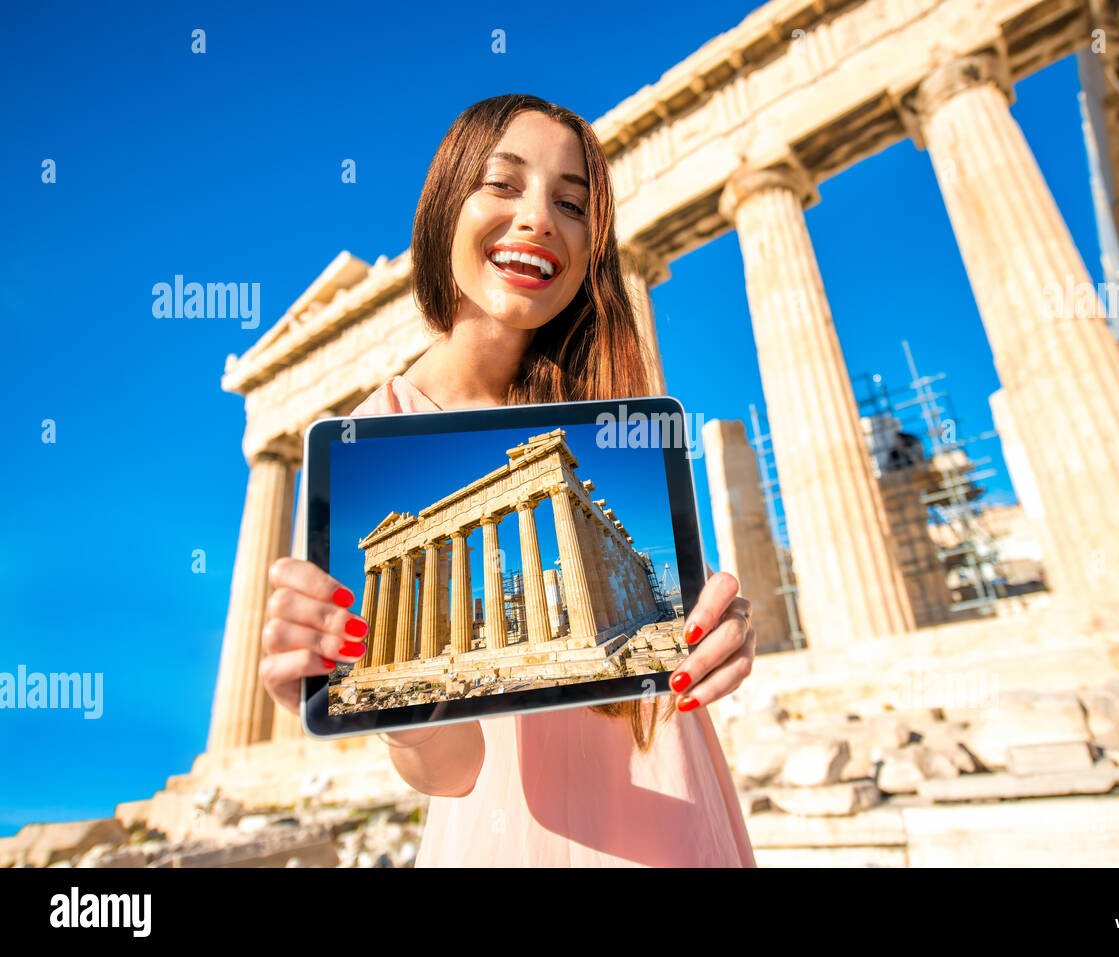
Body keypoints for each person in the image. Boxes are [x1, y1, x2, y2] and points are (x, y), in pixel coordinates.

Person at [258, 94, 759, 866]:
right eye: (503, 184)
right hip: (509, 832)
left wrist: (709, 630)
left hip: (673, 803)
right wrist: (388, 696)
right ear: (443, 208)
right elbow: (449, 768)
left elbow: (662, 627)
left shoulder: (603, 403)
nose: (538, 219)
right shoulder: (372, 430)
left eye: (571, 203)